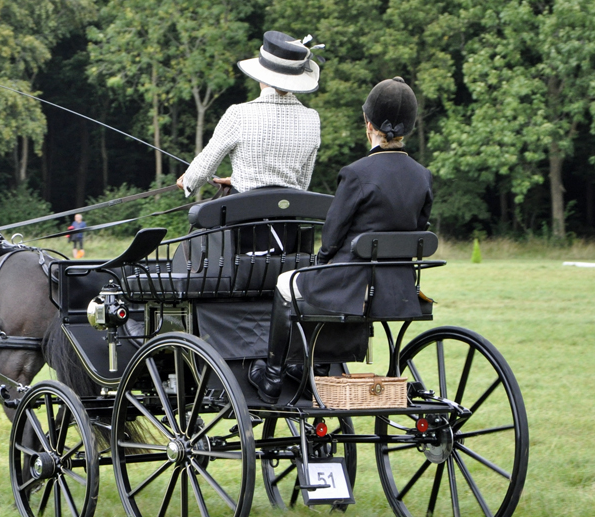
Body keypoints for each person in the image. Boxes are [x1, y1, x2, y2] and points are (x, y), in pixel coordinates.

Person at [249, 76, 434, 403]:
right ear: (409, 127)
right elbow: (418, 229)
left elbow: (332, 236)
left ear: (369, 125)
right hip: (399, 290)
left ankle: (273, 377)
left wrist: (321, 261)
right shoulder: (423, 176)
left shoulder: (357, 173)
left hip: (353, 287)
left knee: (286, 282)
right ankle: (312, 367)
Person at [176, 31, 323, 198]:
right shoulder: (312, 118)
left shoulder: (239, 114)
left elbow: (206, 163)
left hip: (243, 217)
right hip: (286, 216)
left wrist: (188, 181)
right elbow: (302, 182)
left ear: (262, 74)